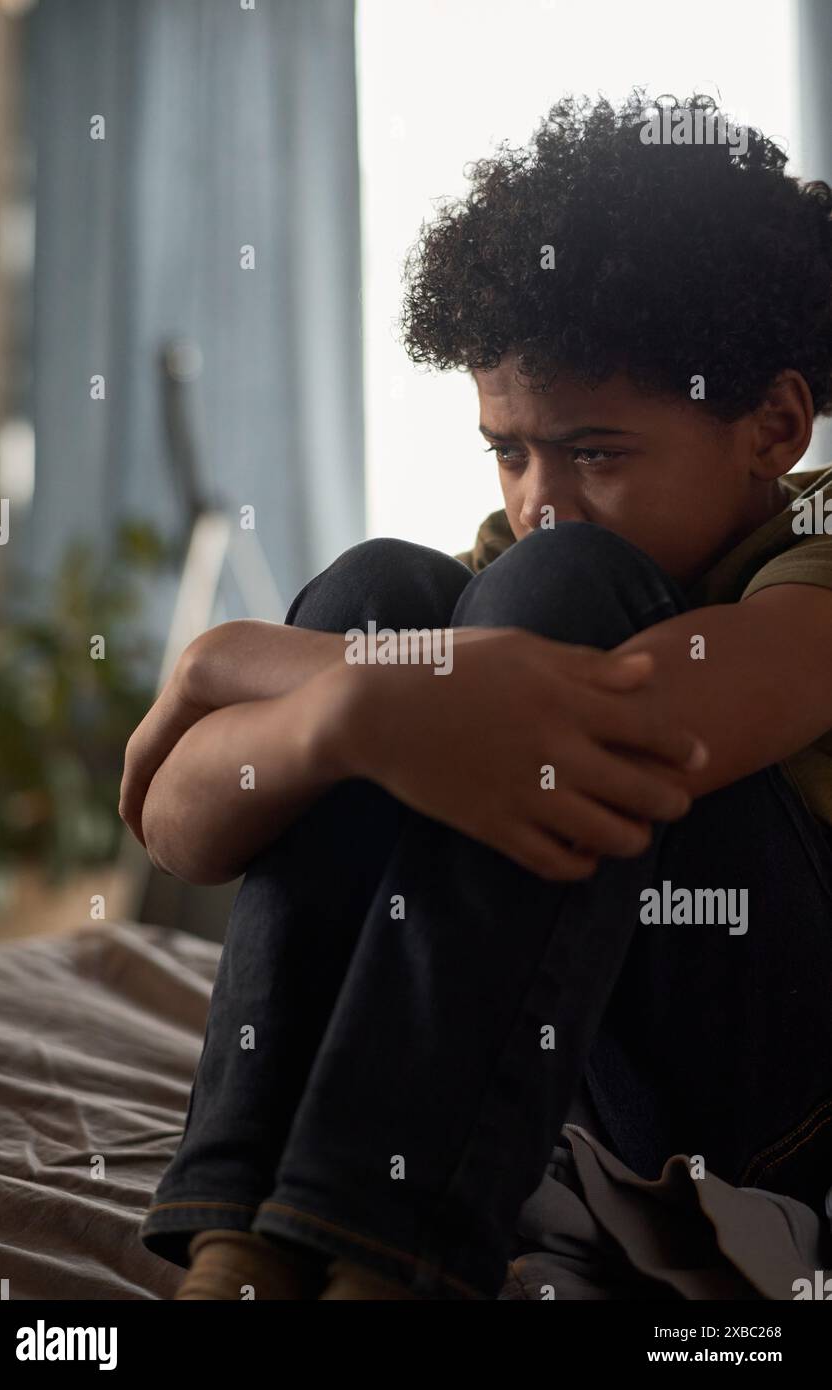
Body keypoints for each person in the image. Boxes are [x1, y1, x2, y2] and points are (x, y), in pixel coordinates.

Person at [120, 90, 832, 1300]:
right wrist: (344, 709)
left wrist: (234, 670)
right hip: (575, 1075)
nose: (536, 498)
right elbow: (178, 824)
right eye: (508, 449)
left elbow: (626, 720)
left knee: (543, 600)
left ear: (770, 424)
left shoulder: (815, 552)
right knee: (379, 589)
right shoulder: (497, 574)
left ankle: (380, 1258)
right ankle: (244, 1243)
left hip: (775, 1102)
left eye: (595, 452)